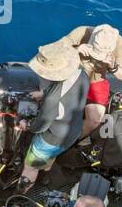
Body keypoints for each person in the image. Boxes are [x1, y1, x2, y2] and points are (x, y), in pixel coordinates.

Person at [16, 40, 89, 189]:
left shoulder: (52, 99)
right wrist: (44, 93)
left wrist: (26, 125)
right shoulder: (81, 73)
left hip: (50, 139)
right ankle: (45, 177)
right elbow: (65, 90)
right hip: (72, 132)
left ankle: (22, 192)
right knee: (51, 156)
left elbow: (40, 126)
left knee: (30, 167)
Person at [47, 24, 122, 140]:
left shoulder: (121, 44)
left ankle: (73, 140)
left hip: (96, 81)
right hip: (73, 74)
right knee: (53, 103)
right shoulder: (81, 32)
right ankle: (50, 131)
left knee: (95, 120)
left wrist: (113, 67)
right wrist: (76, 49)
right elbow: (55, 50)